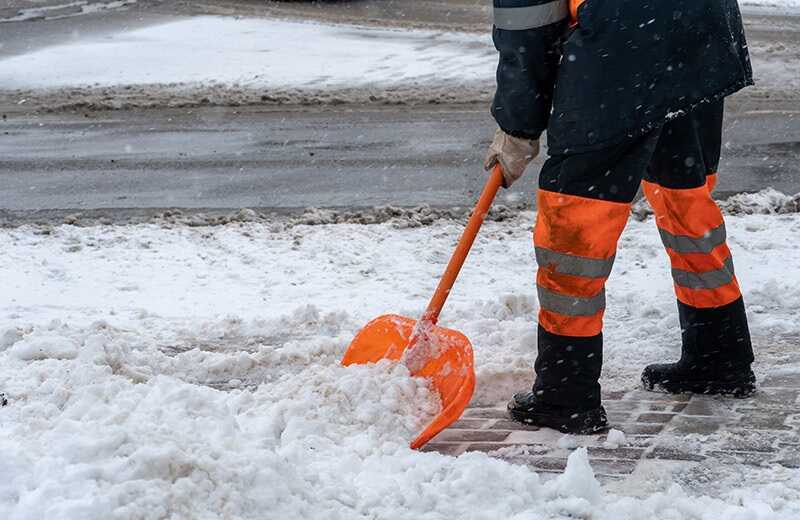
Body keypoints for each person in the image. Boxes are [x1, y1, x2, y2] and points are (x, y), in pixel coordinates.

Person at [484, 0, 756, 434]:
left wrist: (518, 126)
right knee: (684, 195)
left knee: (575, 219)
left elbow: (527, 30)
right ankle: (719, 355)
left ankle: (565, 395)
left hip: (627, 35)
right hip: (701, 25)